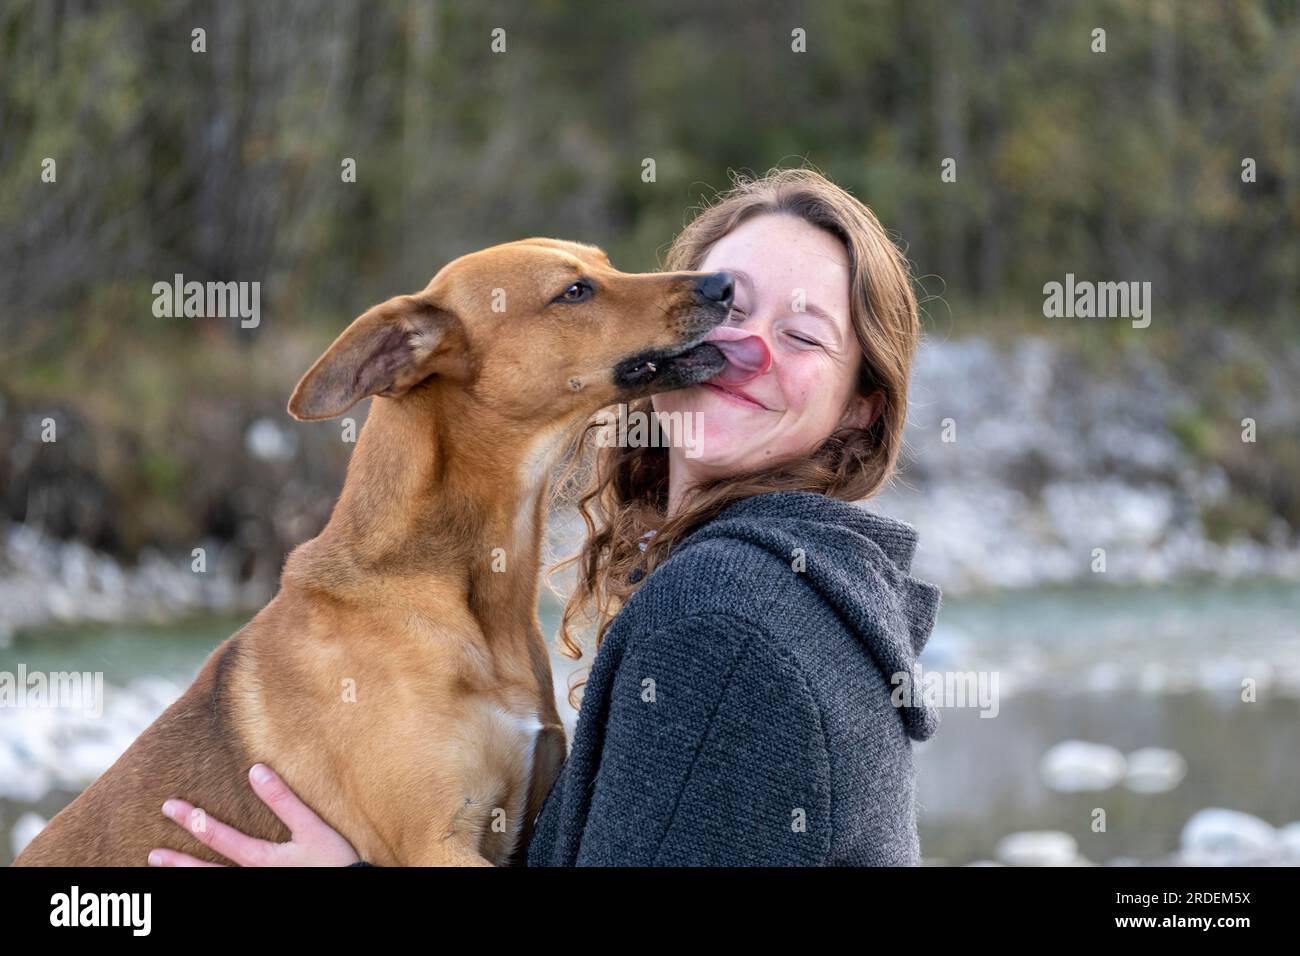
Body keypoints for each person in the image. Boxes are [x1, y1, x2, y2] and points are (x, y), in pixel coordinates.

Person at [147, 166, 941, 867]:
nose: (735, 333)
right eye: (577, 292)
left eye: (802, 334)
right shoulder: (812, 588)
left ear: (862, 414)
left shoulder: (728, 617)